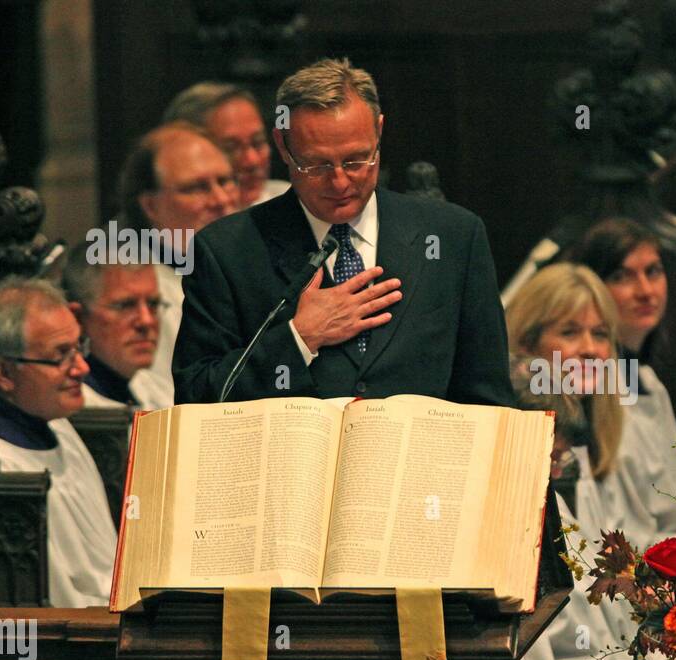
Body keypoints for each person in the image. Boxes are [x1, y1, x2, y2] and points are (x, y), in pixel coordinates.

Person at [173, 57, 513, 408]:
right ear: (283, 145)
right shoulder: (227, 251)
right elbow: (197, 396)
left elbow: (488, 400)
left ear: (379, 132)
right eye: (317, 164)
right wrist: (299, 338)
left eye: (356, 160)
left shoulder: (454, 236)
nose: (339, 182)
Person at [504, 263, 634, 660]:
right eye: (569, 332)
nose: (590, 349)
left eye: (600, 334)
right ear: (526, 345)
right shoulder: (517, 454)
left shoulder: (583, 446)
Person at [0, 279, 117, 609]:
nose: (82, 368)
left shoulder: (55, 423)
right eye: (61, 356)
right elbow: (59, 606)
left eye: (79, 348)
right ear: (3, 373)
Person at [568, 218, 676, 549]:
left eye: (653, 271)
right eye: (622, 276)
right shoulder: (585, 387)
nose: (645, 290)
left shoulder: (647, 381)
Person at [117, 121, 240, 408]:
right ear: (150, 205)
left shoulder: (252, 262)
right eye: (197, 188)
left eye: (225, 181)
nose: (221, 200)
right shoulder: (135, 293)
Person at [163, 81, 291, 207]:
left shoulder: (292, 201)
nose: (252, 161)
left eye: (257, 143)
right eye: (230, 149)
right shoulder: (179, 223)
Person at [63, 256, 161, 409]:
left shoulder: (156, 388)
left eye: (153, 304)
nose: (146, 321)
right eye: (125, 305)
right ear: (77, 318)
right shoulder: (66, 408)